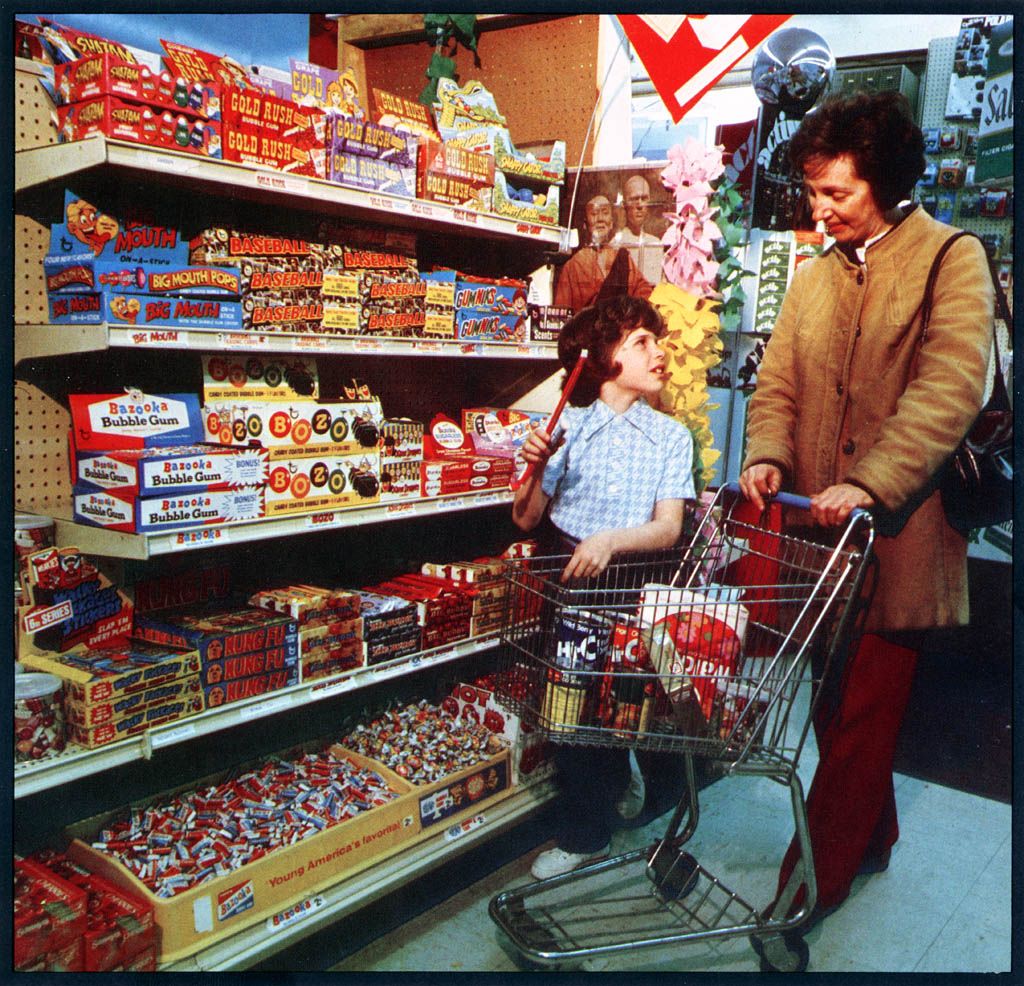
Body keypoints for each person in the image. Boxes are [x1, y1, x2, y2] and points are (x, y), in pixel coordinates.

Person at [738, 91, 995, 929]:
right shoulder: (812, 277)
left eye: (836, 194)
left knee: (858, 713)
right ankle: (873, 833)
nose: (819, 210)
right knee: (829, 703)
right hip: (816, 533)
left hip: (902, 534)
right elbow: (775, 380)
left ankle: (810, 884)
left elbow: (953, 386)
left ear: (882, 181)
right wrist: (767, 454)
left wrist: (876, 480)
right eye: (813, 193)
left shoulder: (950, 257)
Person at [512, 295, 695, 879]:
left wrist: (611, 540)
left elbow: (668, 529)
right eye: (641, 341)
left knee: (628, 703)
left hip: (636, 586)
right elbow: (524, 517)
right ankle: (584, 834)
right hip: (571, 587)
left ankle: (631, 781)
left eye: (657, 339)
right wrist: (538, 467)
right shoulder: (568, 427)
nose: (659, 350)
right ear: (603, 359)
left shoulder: (671, 437)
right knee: (572, 715)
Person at [554, 193, 653, 312]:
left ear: (611, 223)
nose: (600, 219)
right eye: (594, 214)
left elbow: (644, 293)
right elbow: (561, 312)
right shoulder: (572, 266)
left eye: (605, 213)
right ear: (585, 225)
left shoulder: (622, 259)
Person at [610, 174, 665, 286]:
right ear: (624, 204)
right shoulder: (614, 245)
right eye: (634, 199)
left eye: (644, 198)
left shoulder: (656, 244)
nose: (639, 205)